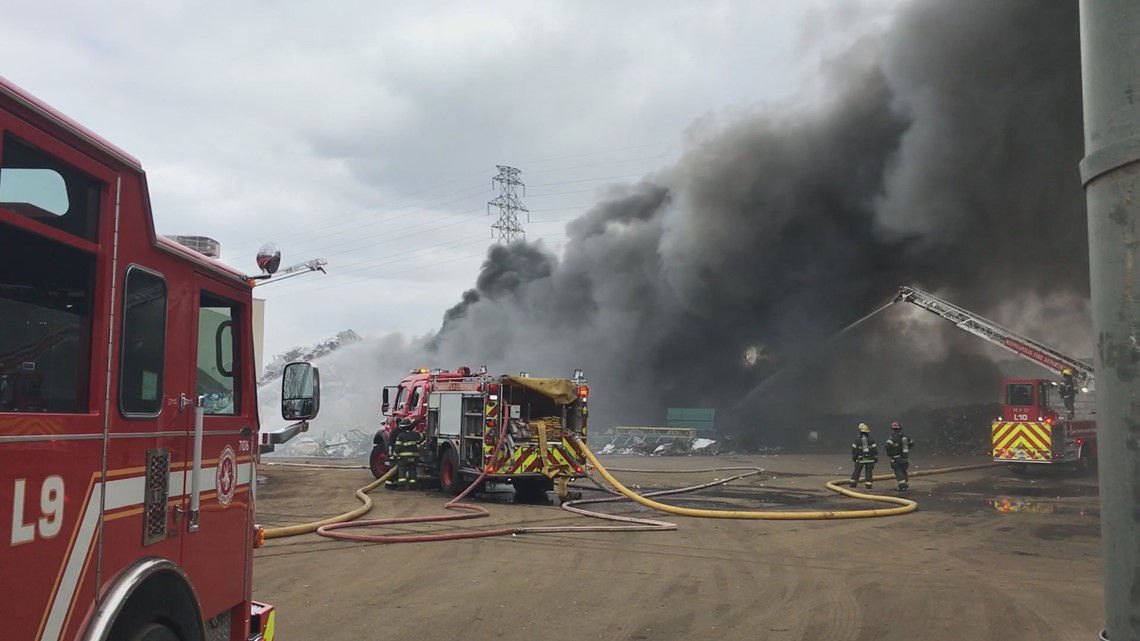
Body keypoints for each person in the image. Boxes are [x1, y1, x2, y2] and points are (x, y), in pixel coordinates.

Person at [392, 418, 424, 490]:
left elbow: (397, 448)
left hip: (404, 458)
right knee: (412, 470)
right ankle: (412, 486)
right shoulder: (415, 434)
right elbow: (422, 437)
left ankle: (401, 486)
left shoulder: (400, 436)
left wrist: (395, 457)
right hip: (414, 457)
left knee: (402, 470)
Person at [884, 421, 914, 491]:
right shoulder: (905, 437)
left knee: (898, 471)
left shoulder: (892, 438)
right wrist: (908, 449)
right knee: (904, 471)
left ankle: (901, 486)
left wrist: (890, 453)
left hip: (896, 458)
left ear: (893, 429)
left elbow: (887, 446)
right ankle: (906, 484)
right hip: (904, 457)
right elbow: (912, 443)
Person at [849, 423, 878, 489]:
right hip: (870, 459)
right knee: (869, 472)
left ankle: (853, 483)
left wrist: (854, 458)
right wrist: (875, 458)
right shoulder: (871, 440)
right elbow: (875, 450)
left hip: (860, 459)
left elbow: (854, 451)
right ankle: (868, 485)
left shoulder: (857, 440)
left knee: (857, 471)